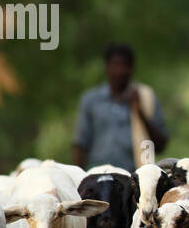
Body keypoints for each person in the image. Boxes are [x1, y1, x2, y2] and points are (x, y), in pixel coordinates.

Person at [72, 43, 169, 171]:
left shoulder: (145, 97)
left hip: (134, 178)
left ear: (131, 68)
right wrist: (78, 178)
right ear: (106, 67)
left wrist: (138, 110)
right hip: (98, 176)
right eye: (115, 65)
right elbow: (80, 144)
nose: (120, 71)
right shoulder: (91, 100)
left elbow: (160, 146)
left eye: (124, 65)